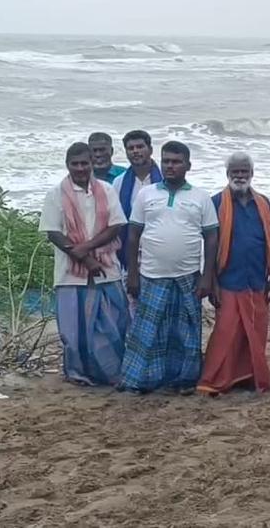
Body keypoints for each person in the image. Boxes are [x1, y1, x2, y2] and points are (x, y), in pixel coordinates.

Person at [119, 141, 218, 394]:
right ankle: (140, 380)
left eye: (176, 161)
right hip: (151, 274)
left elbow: (211, 238)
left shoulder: (201, 197)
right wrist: (132, 273)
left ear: (188, 165)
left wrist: (207, 278)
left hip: (187, 276)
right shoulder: (147, 194)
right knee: (147, 332)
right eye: (166, 161)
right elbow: (133, 235)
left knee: (185, 332)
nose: (170, 166)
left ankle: (184, 380)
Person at [38, 142, 130, 386]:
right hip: (70, 273)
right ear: (67, 165)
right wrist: (84, 259)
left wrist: (87, 249)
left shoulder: (106, 190)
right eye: (75, 164)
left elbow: (116, 225)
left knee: (112, 325)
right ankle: (78, 374)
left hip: (106, 268)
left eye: (84, 163)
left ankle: (111, 374)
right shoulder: (55, 194)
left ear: (92, 164)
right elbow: (53, 233)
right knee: (74, 329)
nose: (80, 168)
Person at [197, 152, 270, 395]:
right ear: (227, 174)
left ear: (252, 174)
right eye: (235, 172)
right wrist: (212, 282)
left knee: (255, 330)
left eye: (244, 172)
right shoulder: (215, 203)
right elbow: (210, 245)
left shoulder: (263, 203)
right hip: (228, 280)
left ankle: (248, 376)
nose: (240, 176)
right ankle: (215, 378)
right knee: (226, 332)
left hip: (256, 280)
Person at [113, 129, 162, 265]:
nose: (135, 151)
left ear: (150, 150)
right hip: (128, 252)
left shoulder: (165, 179)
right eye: (131, 148)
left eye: (140, 147)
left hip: (159, 252)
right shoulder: (119, 182)